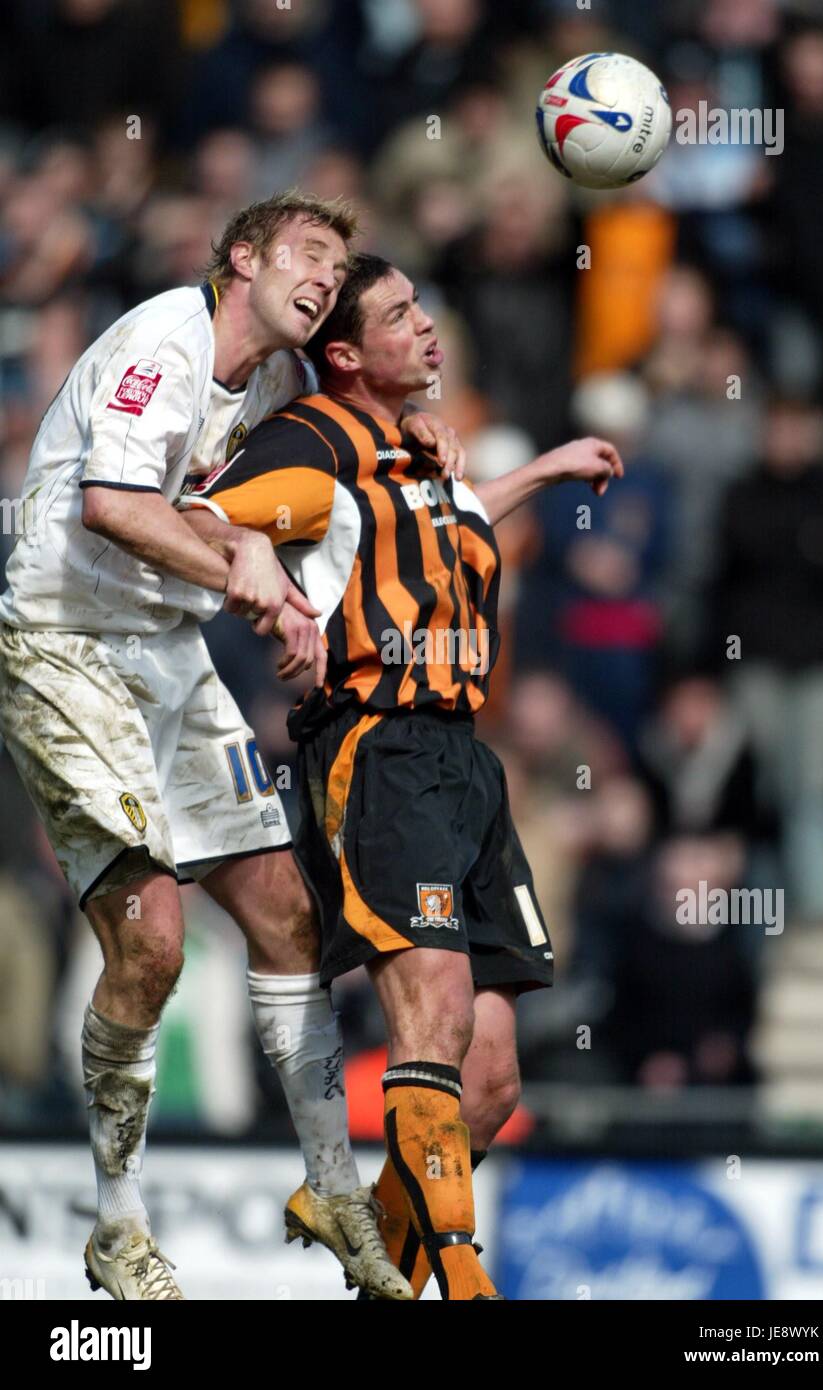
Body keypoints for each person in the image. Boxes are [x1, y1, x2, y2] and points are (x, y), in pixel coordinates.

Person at [0, 194, 462, 1301]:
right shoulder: (165, 339)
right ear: (240, 259)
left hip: (162, 650)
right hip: (62, 644)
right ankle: (118, 1220)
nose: (322, 276)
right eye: (305, 254)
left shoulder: (274, 381)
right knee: (154, 944)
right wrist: (242, 569)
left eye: (336, 264)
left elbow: (333, 451)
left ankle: (333, 1187)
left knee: (285, 914)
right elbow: (113, 503)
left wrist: (412, 428)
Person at [179, 252, 623, 1298]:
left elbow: (438, 530)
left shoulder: (416, 452)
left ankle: (367, 1236)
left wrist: (539, 473)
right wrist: (260, 581)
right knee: (430, 1019)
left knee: (493, 1078)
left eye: (423, 305)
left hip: (465, 759)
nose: (427, 327)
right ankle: (464, 1283)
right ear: (342, 354)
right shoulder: (315, 442)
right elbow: (211, 511)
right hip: (378, 750)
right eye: (399, 314)